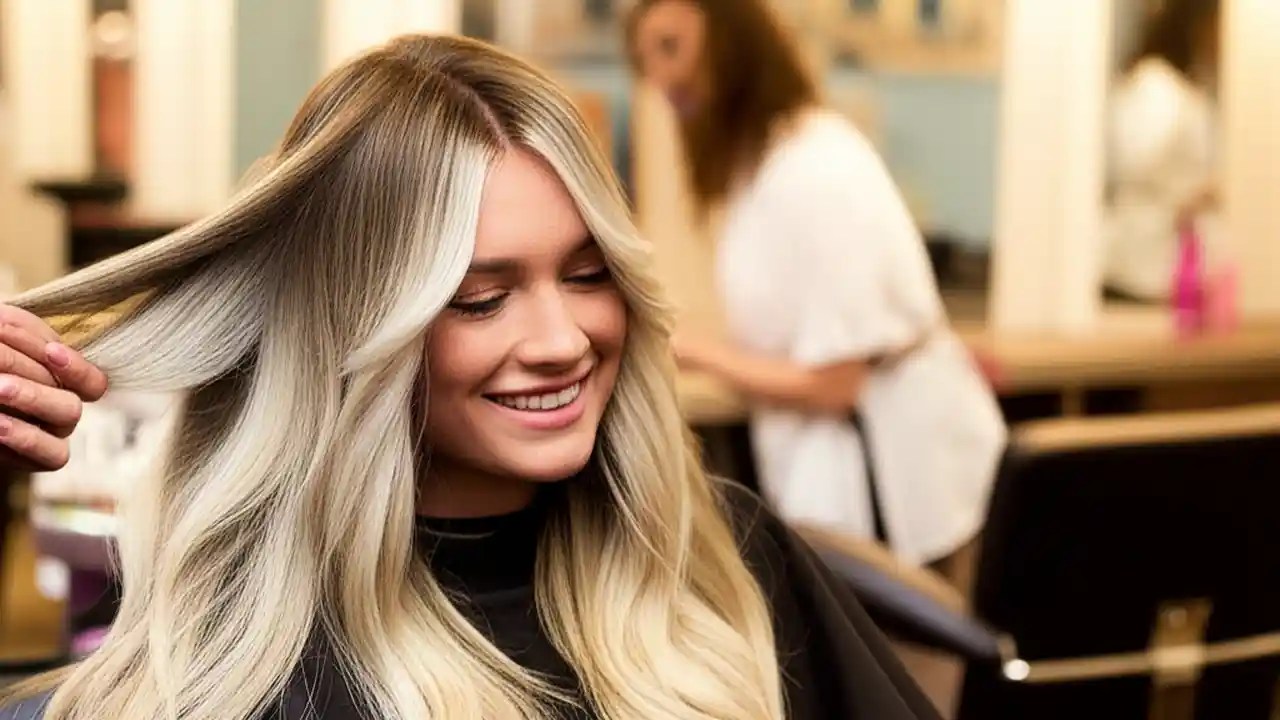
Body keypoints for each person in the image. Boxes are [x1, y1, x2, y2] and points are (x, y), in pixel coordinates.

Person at [0, 35, 940, 720]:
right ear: (359, 326)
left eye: (587, 275)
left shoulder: (724, 564)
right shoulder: (257, 676)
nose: (561, 339)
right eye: (482, 299)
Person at [627, 0, 1006, 567]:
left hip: (900, 484)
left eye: (670, 47)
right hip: (853, 476)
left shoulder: (814, 168)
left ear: (732, 44)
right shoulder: (768, 165)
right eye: (645, 59)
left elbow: (835, 384)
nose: (661, 78)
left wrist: (697, 352)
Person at [1104, 0, 1221, 302]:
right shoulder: (1155, 84)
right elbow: (1133, 162)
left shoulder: (1193, 87)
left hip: (1174, 261)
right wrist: (1189, 195)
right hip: (1140, 263)